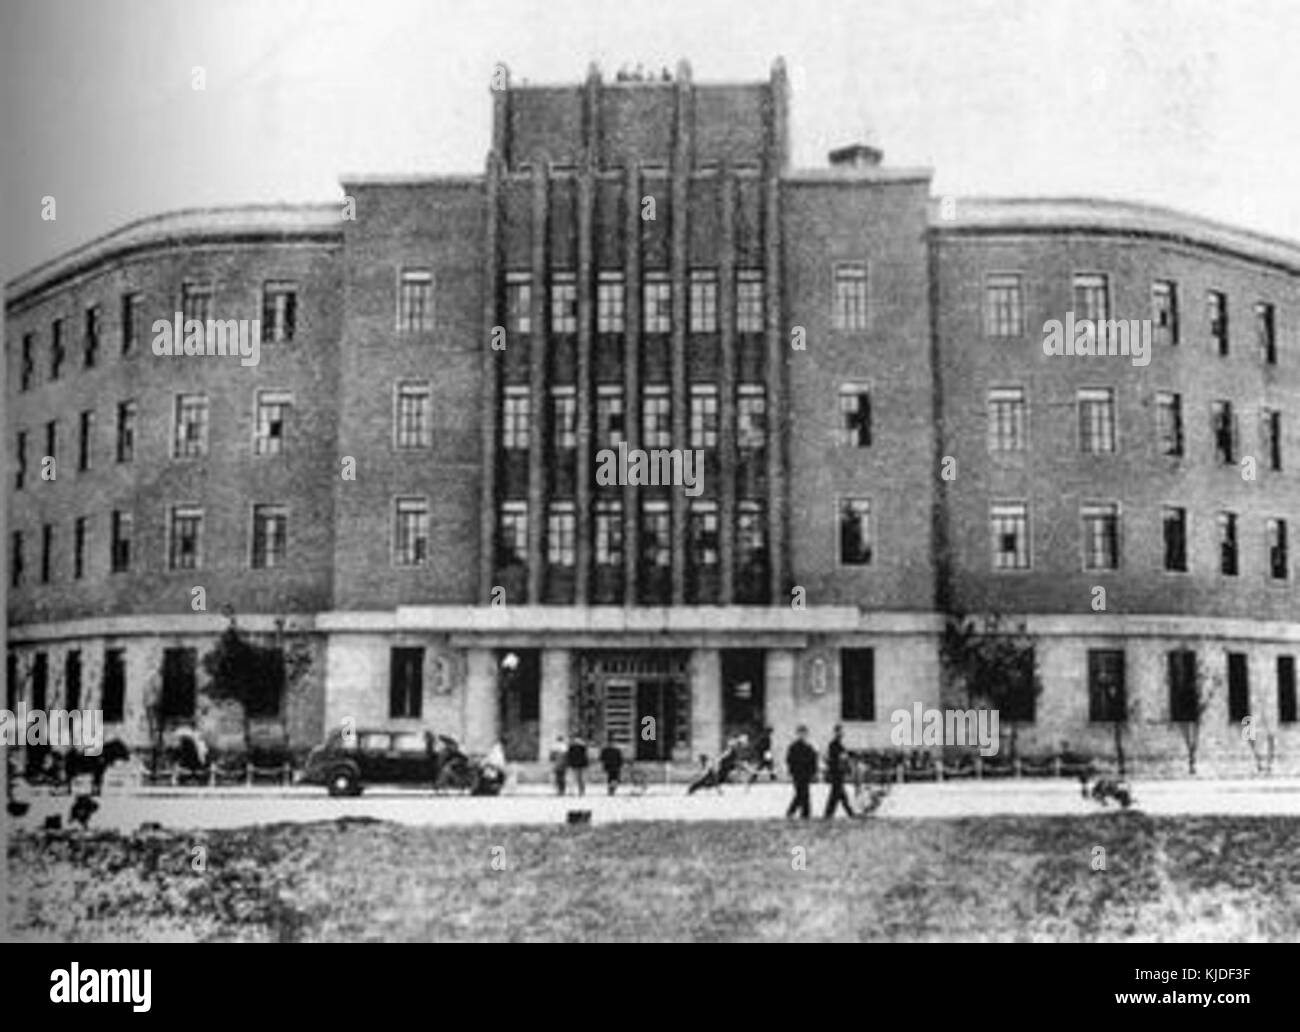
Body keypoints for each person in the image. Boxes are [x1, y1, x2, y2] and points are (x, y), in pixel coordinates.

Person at [824, 724, 855, 819]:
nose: (841, 733)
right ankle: (849, 813)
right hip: (836, 772)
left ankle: (829, 813)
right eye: (840, 731)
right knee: (838, 793)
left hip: (838, 772)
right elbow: (837, 758)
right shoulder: (834, 745)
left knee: (837, 794)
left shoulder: (838, 745)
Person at [785, 726, 817, 819]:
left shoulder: (809, 747)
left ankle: (800, 813)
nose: (802, 735)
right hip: (798, 774)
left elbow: (813, 760)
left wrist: (813, 772)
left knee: (803, 794)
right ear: (798, 734)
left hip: (805, 774)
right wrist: (792, 771)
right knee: (801, 794)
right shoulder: (794, 747)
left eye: (804, 733)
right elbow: (790, 760)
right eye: (801, 733)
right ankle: (799, 813)